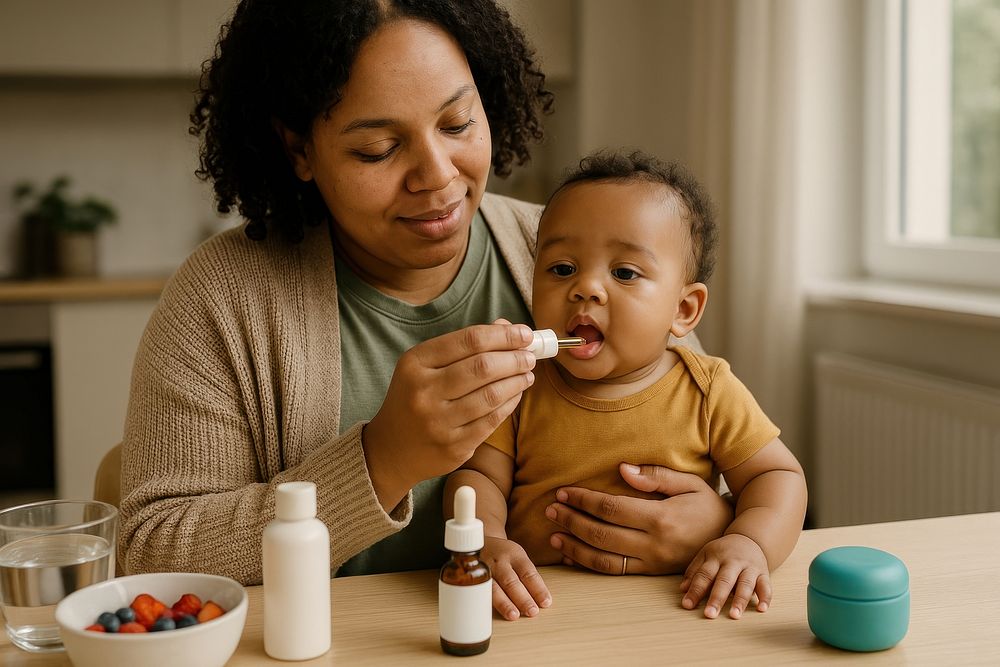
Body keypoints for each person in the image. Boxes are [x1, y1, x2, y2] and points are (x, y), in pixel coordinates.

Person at [119, 0, 734, 586]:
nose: (437, 175)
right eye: (377, 148)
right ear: (299, 147)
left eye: (457, 123)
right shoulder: (222, 300)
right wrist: (383, 460)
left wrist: (716, 522)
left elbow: (714, 449)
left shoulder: (578, 253)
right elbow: (148, 551)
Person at [447, 150, 808, 621]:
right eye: (561, 269)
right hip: (537, 611)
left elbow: (777, 478)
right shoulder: (521, 382)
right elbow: (476, 479)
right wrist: (487, 542)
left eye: (624, 273)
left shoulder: (709, 389)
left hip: (674, 611)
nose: (586, 288)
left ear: (684, 311)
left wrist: (747, 542)